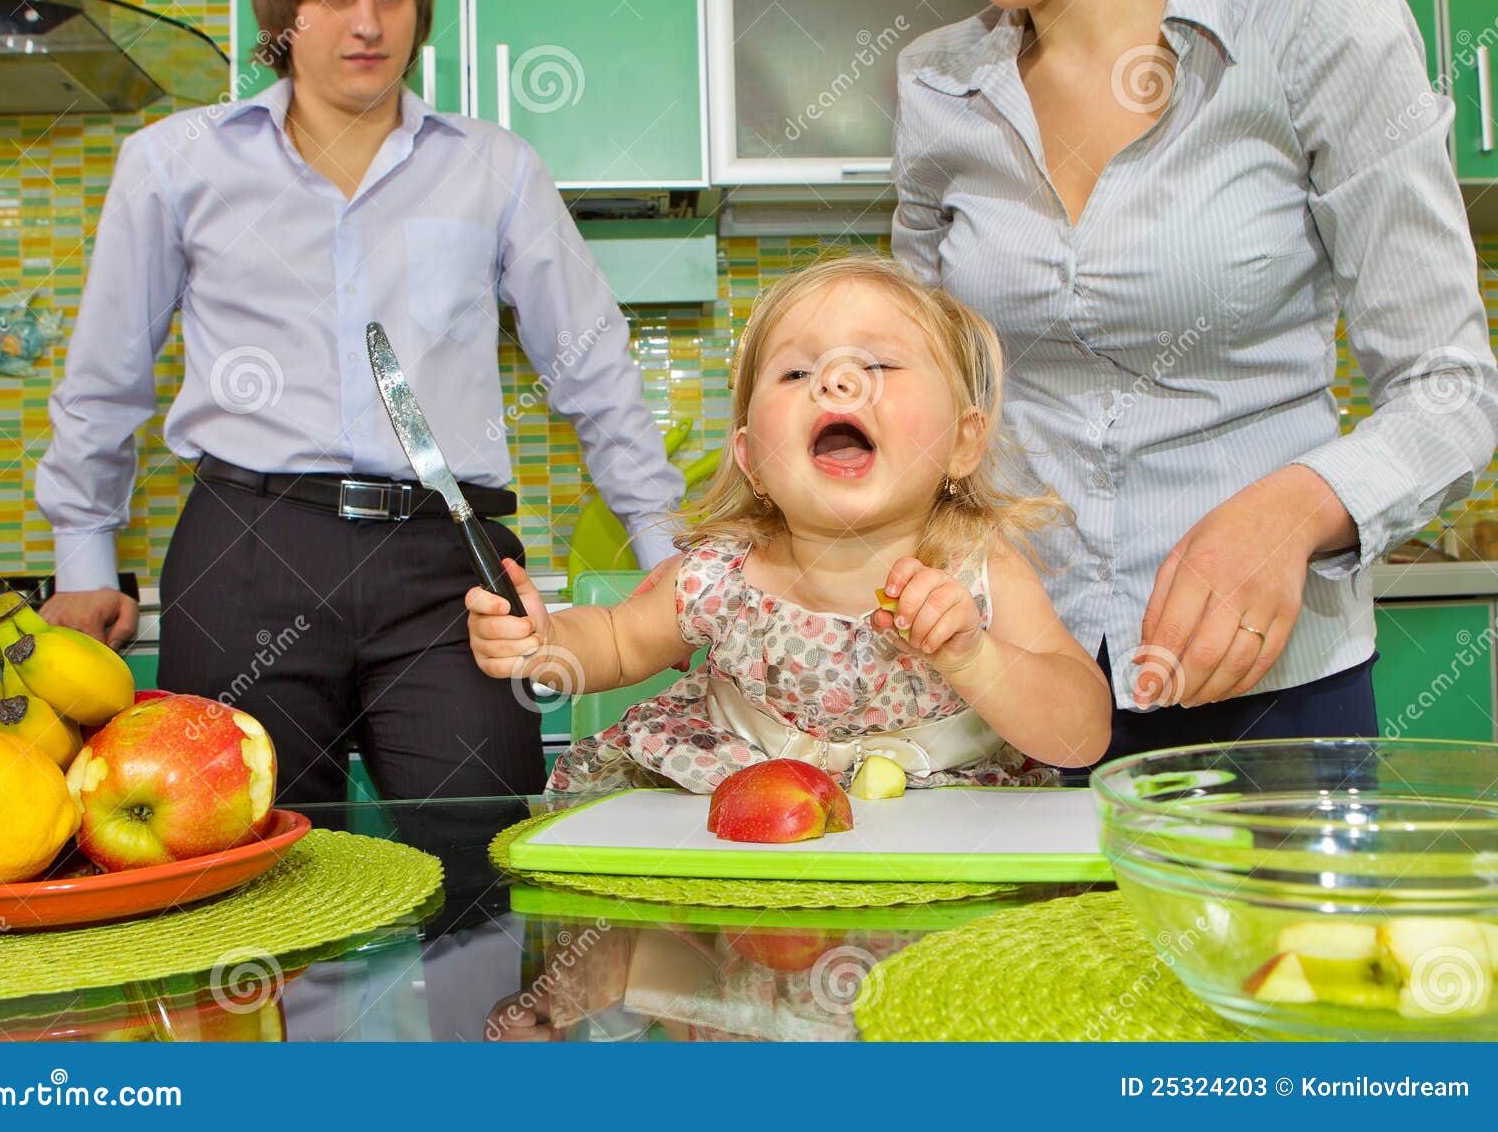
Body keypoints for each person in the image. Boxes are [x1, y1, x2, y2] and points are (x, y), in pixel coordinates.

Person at [32, 0, 684, 802]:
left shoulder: (496, 167)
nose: (368, 23)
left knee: (482, 848)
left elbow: (593, 367)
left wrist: (666, 556)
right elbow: (106, 376)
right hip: (246, 552)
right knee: (251, 858)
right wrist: (84, 559)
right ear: (284, 13)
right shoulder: (172, 162)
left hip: (452, 564)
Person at [891, 0, 1498, 765]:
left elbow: (1450, 393)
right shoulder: (936, 81)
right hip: (1004, 691)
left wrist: (1294, 511)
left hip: (1271, 695)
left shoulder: (1315, 15)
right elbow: (922, 394)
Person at [467, 257, 1111, 792]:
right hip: (747, 850)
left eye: (879, 366)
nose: (836, 382)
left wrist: (975, 656)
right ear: (752, 459)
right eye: (797, 372)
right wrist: (545, 642)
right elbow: (614, 641)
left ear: (963, 441)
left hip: (947, 856)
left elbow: (1082, 735)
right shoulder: (719, 575)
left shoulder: (981, 569)